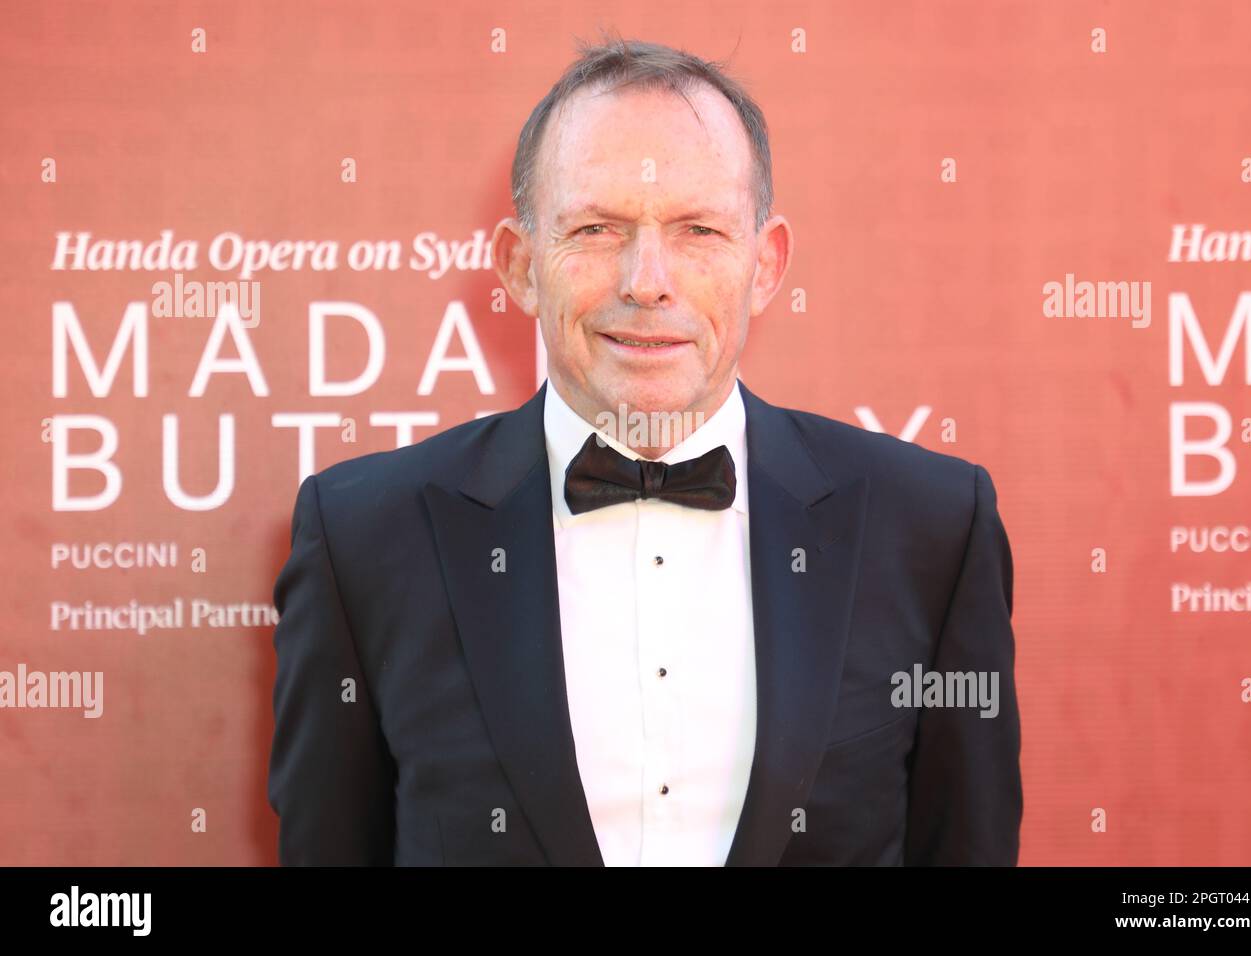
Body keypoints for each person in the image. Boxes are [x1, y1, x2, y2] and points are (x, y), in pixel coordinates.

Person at [267, 36, 1022, 866]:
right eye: (596, 228)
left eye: (698, 229)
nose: (647, 279)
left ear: (766, 265)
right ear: (520, 267)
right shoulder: (363, 539)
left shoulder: (931, 530)